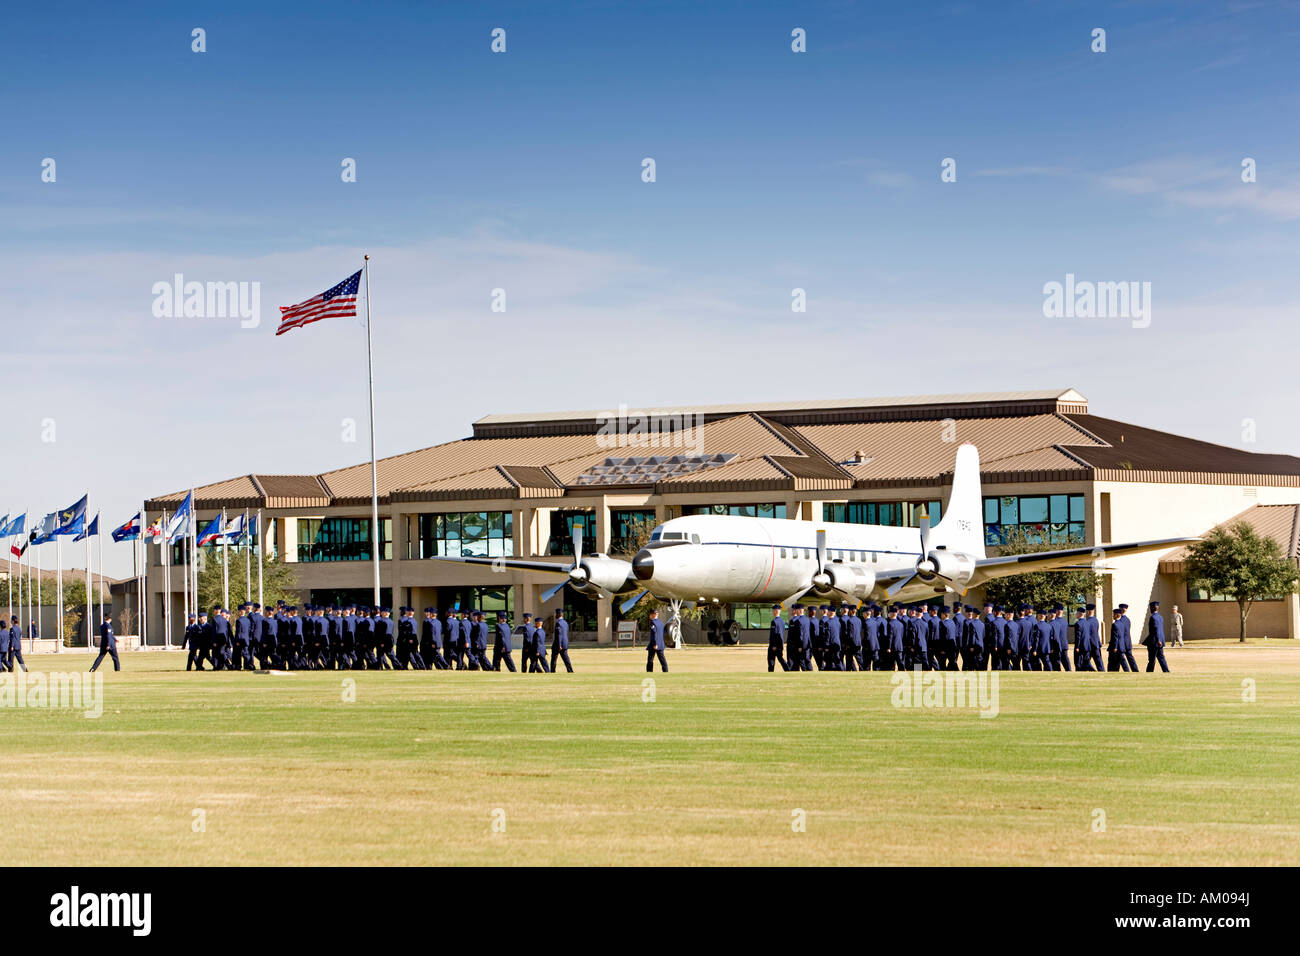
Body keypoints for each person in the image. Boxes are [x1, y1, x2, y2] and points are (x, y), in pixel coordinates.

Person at [1143, 600, 1170, 673]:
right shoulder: (1160, 617)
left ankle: (1149, 672)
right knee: (1161, 657)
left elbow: (1156, 629)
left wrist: (1158, 640)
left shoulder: (1153, 618)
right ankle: (1166, 671)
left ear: (1152, 608)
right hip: (1159, 640)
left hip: (1154, 641)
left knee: (1152, 659)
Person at [841, 604, 863, 672]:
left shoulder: (849, 620)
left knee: (849, 659)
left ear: (850, 611)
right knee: (859, 659)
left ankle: (849, 671)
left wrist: (847, 644)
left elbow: (850, 634)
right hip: (858, 642)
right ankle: (863, 670)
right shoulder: (859, 620)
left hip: (851, 643)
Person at [767, 604, 789, 672]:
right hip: (780, 644)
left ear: (776, 611)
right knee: (780, 659)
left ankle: (771, 673)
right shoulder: (782, 621)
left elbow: (776, 634)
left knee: (771, 661)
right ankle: (787, 670)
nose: (772, 612)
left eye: (773, 610)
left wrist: (774, 645)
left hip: (774, 645)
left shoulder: (774, 622)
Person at [645, 608, 668, 672]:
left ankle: (649, 672)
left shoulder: (653, 623)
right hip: (660, 644)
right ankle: (666, 671)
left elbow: (654, 634)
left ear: (653, 615)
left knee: (650, 660)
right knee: (662, 659)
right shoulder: (661, 623)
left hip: (654, 644)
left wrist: (655, 643)